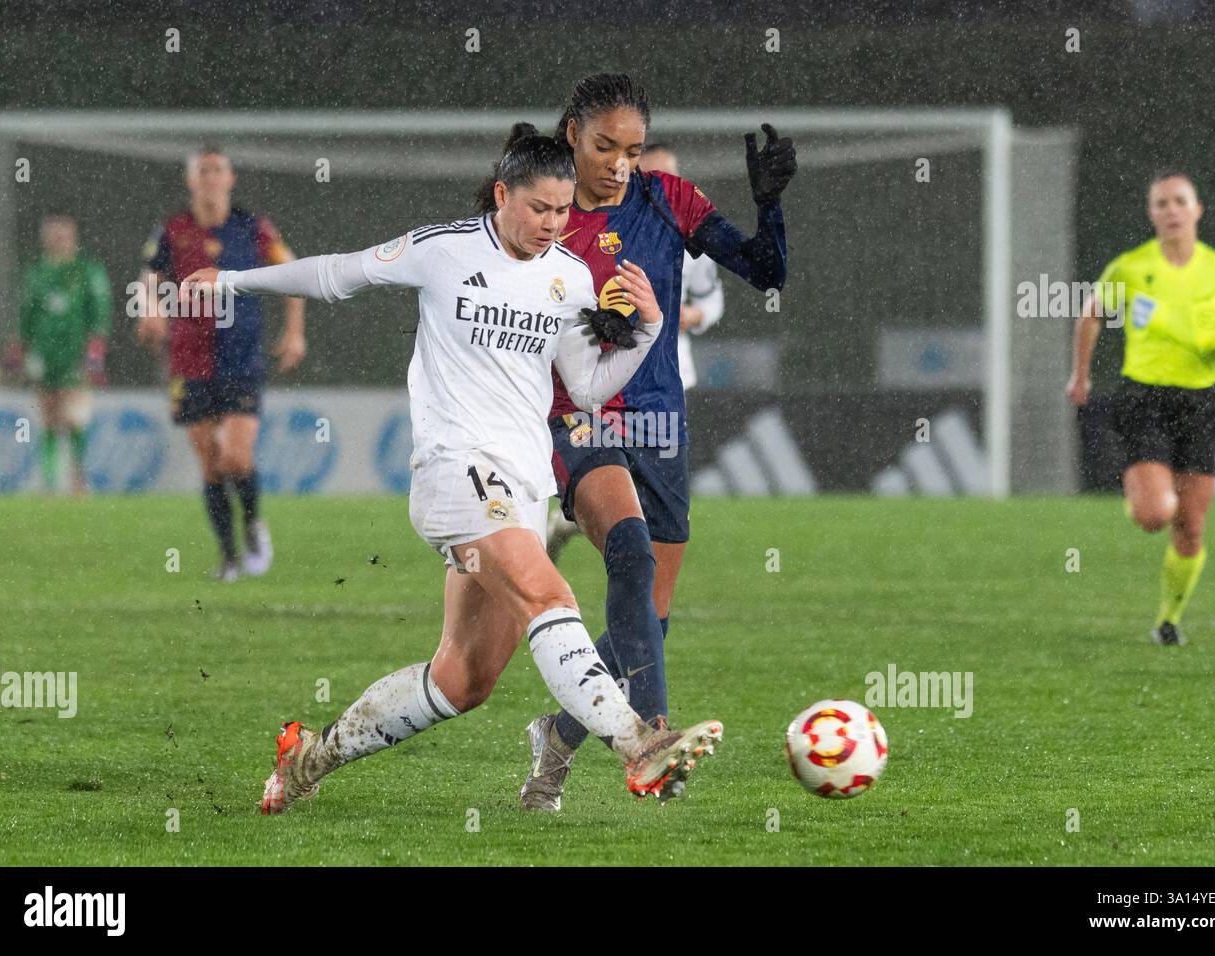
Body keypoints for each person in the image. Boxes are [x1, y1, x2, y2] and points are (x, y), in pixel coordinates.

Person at [179, 126, 723, 814]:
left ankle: (307, 757)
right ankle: (638, 744)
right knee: (549, 597)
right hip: (455, 469)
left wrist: (645, 330)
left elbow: (585, 385)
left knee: (463, 679)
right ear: (502, 194)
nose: (552, 225)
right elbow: (336, 273)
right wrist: (233, 280)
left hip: (523, 484)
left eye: (562, 211)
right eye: (538, 209)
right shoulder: (444, 250)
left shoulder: (570, 275)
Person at [521, 73, 794, 811]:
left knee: (647, 624)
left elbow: (766, 272)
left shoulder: (666, 201)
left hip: (661, 422)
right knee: (632, 556)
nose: (618, 163)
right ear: (572, 132)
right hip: (579, 417)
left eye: (632, 150)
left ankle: (555, 740)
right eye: (605, 145)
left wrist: (769, 207)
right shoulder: (540, 211)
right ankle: (654, 739)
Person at [1066, 169, 1215, 646]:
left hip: (1200, 403)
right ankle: (1144, 496)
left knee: (1191, 531)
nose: (1172, 210)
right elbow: (1090, 315)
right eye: (1162, 203)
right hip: (1144, 398)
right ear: (1152, 214)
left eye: (1180, 201)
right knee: (1157, 513)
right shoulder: (1131, 268)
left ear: (1197, 210)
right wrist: (1081, 375)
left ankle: (1168, 620)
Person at [544, 141, 725, 561]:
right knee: (608, 472)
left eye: (672, 176)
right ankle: (586, 526)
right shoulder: (596, 231)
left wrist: (689, 317)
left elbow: (712, 301)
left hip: (663, 377)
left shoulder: (686, 238)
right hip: (601, 376)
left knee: (644, 494)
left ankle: (575, 527)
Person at [136, 146, 307, 581]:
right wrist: (150, 307)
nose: (211, 178)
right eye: (203, 171)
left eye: (218, 170)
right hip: (189, 359)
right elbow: (151, 277)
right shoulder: (173, 229)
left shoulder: (253, 228)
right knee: (210, 464)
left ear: (230, 179)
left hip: (240, 357)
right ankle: (229, 558)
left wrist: (294, 331)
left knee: (234, 456)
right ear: (191, 180)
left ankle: (252, 523)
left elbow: (293, 275)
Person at [12, 215, 112, 494]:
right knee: (48, 416)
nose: (59, 238)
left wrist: (94, 354)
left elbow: (99, 314)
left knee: (75, 417)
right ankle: (49, 481)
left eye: (64, 233)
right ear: (45, 237)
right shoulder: (36, 274)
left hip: (75, 354)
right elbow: (26, 317)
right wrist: (24, 350)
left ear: (74, 236)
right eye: (53, 233)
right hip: (45, 355)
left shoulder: (87, 271)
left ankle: (79, 479)